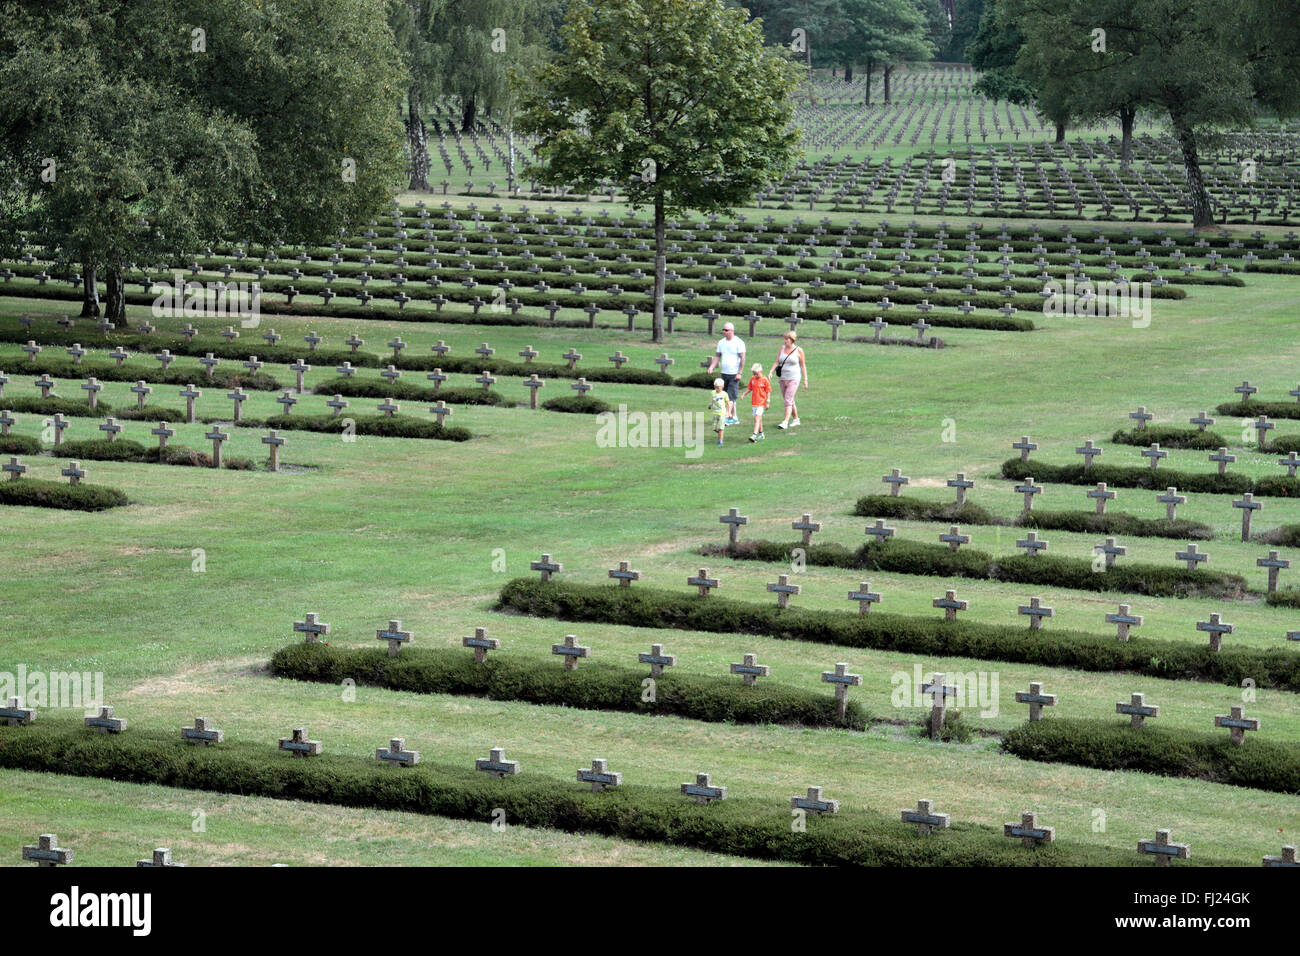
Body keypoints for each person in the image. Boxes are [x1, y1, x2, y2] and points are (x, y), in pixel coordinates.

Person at [705, 322, 745, 425]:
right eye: (723, 330)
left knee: (730, 397)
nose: (724, 332)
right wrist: (711, 367)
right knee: (726, 395)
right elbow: (717, 356)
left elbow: (742, 358)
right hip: (724, 373)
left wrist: (739, 372)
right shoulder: (721, 342)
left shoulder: (738, 342)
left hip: (734, 373)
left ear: (732, 331)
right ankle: (734, 417)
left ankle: (727, 417)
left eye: (726, 330)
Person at [769, 330, 808, 429]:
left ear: (792, 340)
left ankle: (785, 422)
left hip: (794, 378)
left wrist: (805, 380)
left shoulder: (799, 350)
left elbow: (803, 366)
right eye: (784, 339)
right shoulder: (781, 349)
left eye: (787, 339)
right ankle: (796, 419)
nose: (785, 341)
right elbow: (777, 362)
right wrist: (771, 371)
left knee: (788, 400)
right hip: (782, 378)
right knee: (789, 400)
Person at [740, 362, 770, 442]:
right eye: (754, 374)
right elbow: (750, 388)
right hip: (754, 403)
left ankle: (754, 435)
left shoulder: (765, 380)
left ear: (761, 372)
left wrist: (768, 402)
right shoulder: (752, 379)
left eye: (756, 374)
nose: (755, 376)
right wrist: (744, 394)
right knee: (758, 419)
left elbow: (768, 391)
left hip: (762, 402)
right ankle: (762, 434)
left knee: (757, 418)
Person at [708, 378, 728, 446]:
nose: (716, 389)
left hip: (722, 413)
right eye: (715, 387)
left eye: (718, 388)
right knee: (714, 428)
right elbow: (712, 400)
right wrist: (710, 405)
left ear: (722, 387)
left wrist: (729, 412)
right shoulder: (713, 392)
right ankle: (720, 433)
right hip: (715, 413)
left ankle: (720, 441)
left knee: (720, 428)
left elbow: (728, 403)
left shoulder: (724, 394)